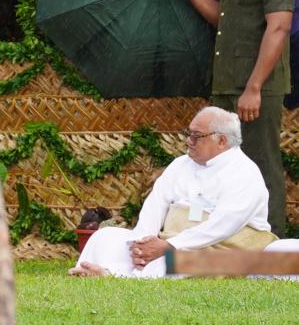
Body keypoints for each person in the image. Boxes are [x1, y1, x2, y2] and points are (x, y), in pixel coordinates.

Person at [153, 0, 299, 236]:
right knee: (220, 166)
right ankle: (226, 238)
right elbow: (224, 18)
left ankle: (271, 245)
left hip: (255, 88)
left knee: (261, 165)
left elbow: (279, 29)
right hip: (227, 83)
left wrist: (254, 88)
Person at [69, 107, 278, 278]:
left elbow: (223, 225)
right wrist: (141, 243)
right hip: (170, 241)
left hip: (222, 250)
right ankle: (88, 270)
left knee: (171, 260)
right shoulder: (181, 164)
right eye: (189, 134)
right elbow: (156, 203)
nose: (189, 141)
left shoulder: (244, 172)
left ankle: (112, 276)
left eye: (197, 136)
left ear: (222, 141)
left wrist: (170, 245)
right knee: (105, 236)